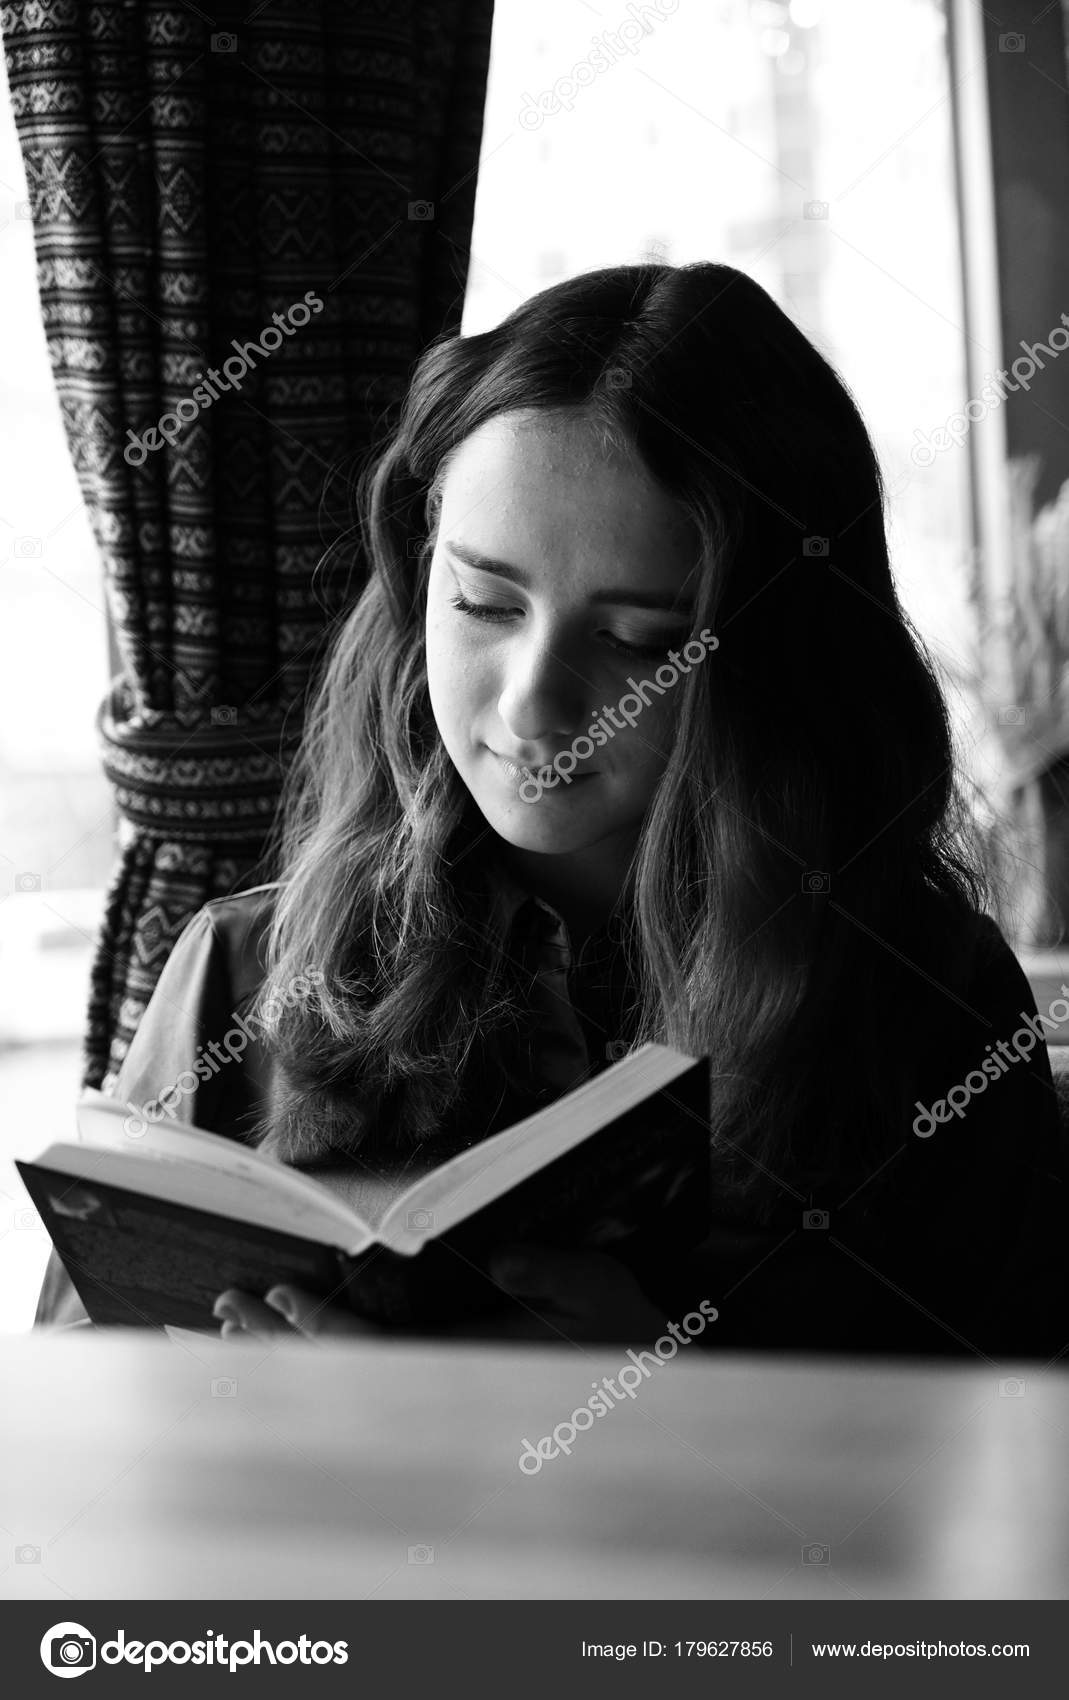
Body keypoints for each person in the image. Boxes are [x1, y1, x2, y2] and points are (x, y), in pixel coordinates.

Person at [36, 261, 1067, 1356]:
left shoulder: (924, 1007)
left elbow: (1016, 1476)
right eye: (481, 601)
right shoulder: (242, 972)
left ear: (779, 660)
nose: (532, 701)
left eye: (637, 639)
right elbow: (74, 1424)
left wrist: (669, 1399)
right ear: (413, 573)